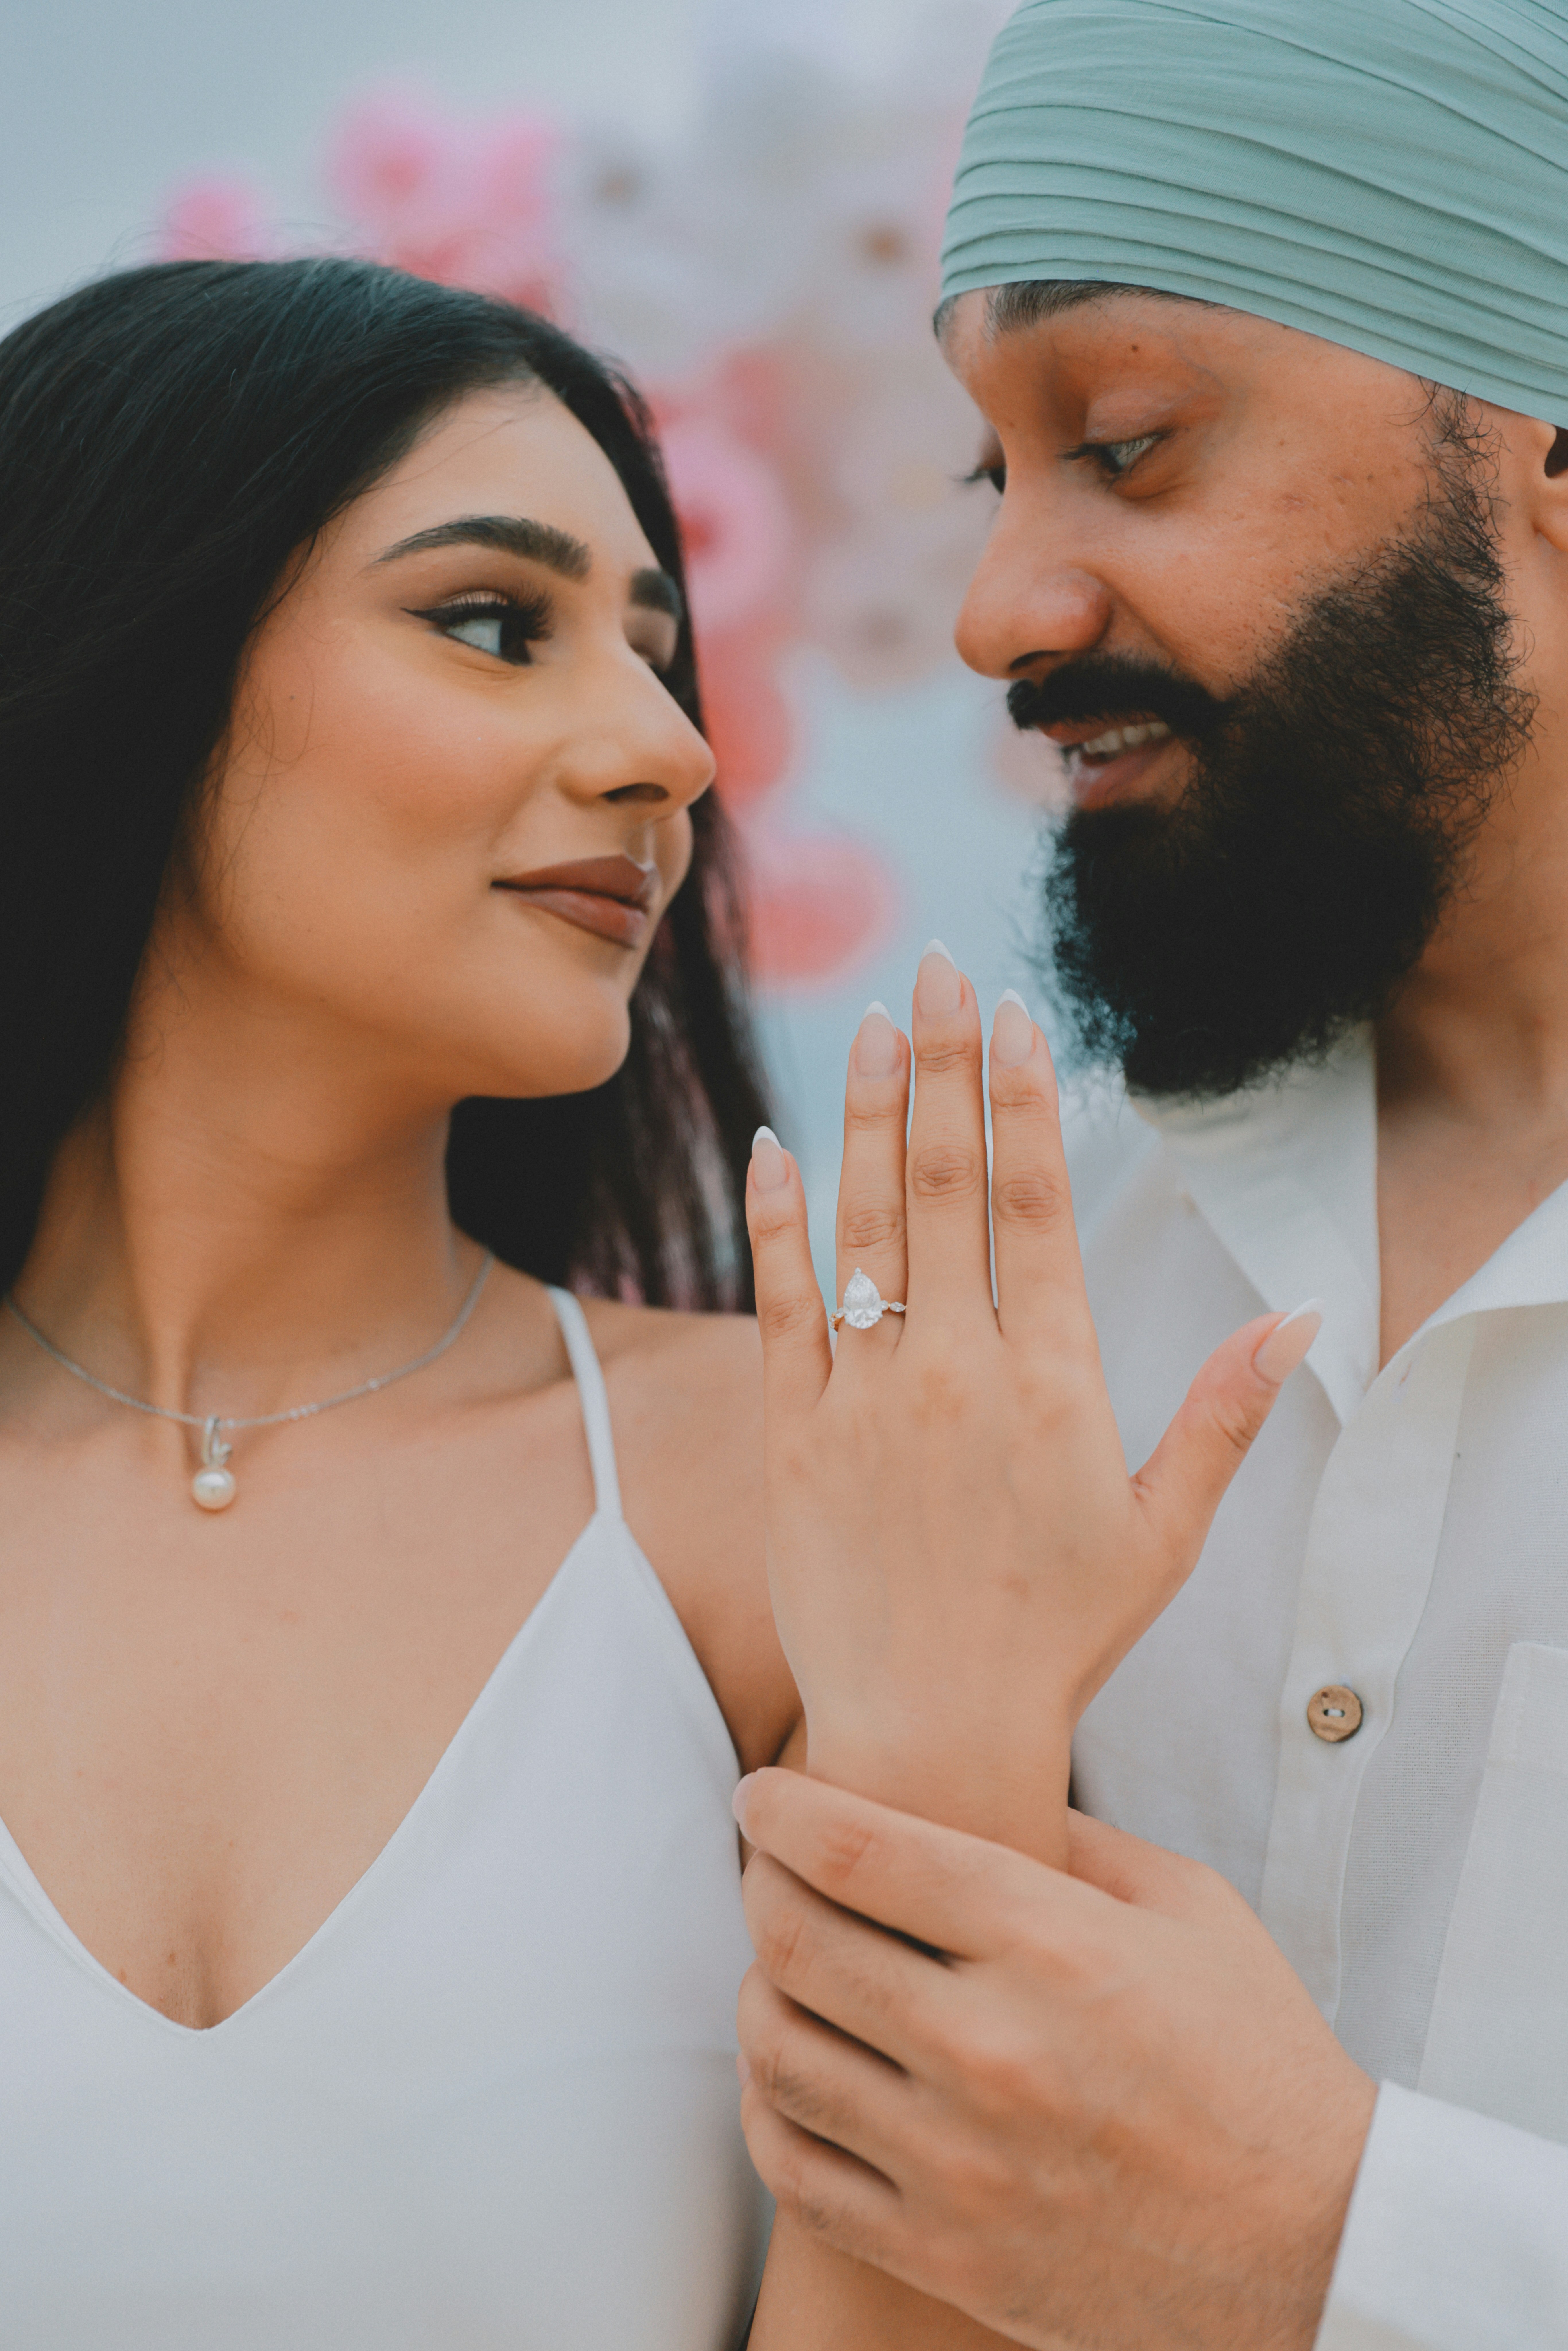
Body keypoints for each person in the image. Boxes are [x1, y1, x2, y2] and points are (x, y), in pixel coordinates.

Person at [731, 2, 1568, 2344]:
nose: (1002, 611)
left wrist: (1330, 2243)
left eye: (1125, 446)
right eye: (993, 477)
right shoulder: (1012, 1286)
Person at [0, 254, 803, 2349]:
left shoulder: (775, 1492)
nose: (665, 751)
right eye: (488, 622)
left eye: (655, 650)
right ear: (134, 658)